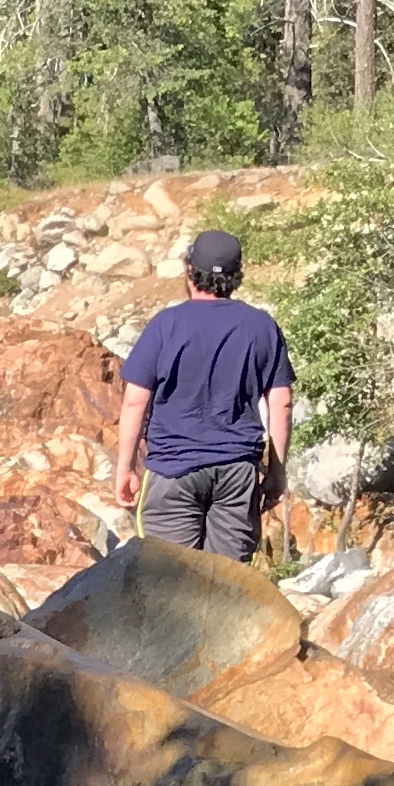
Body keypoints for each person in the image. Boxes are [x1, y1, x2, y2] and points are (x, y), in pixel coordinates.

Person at [111, 228, 295, 559]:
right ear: (238, 276)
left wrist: (125, 468)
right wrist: (277, 471)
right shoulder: (261, 326)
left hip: (172, 471)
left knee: (172, 584)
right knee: (225, 585)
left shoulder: (166, 324)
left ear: (189, 271)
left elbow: (135, 400)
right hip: (237, 472)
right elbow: (281, 402)